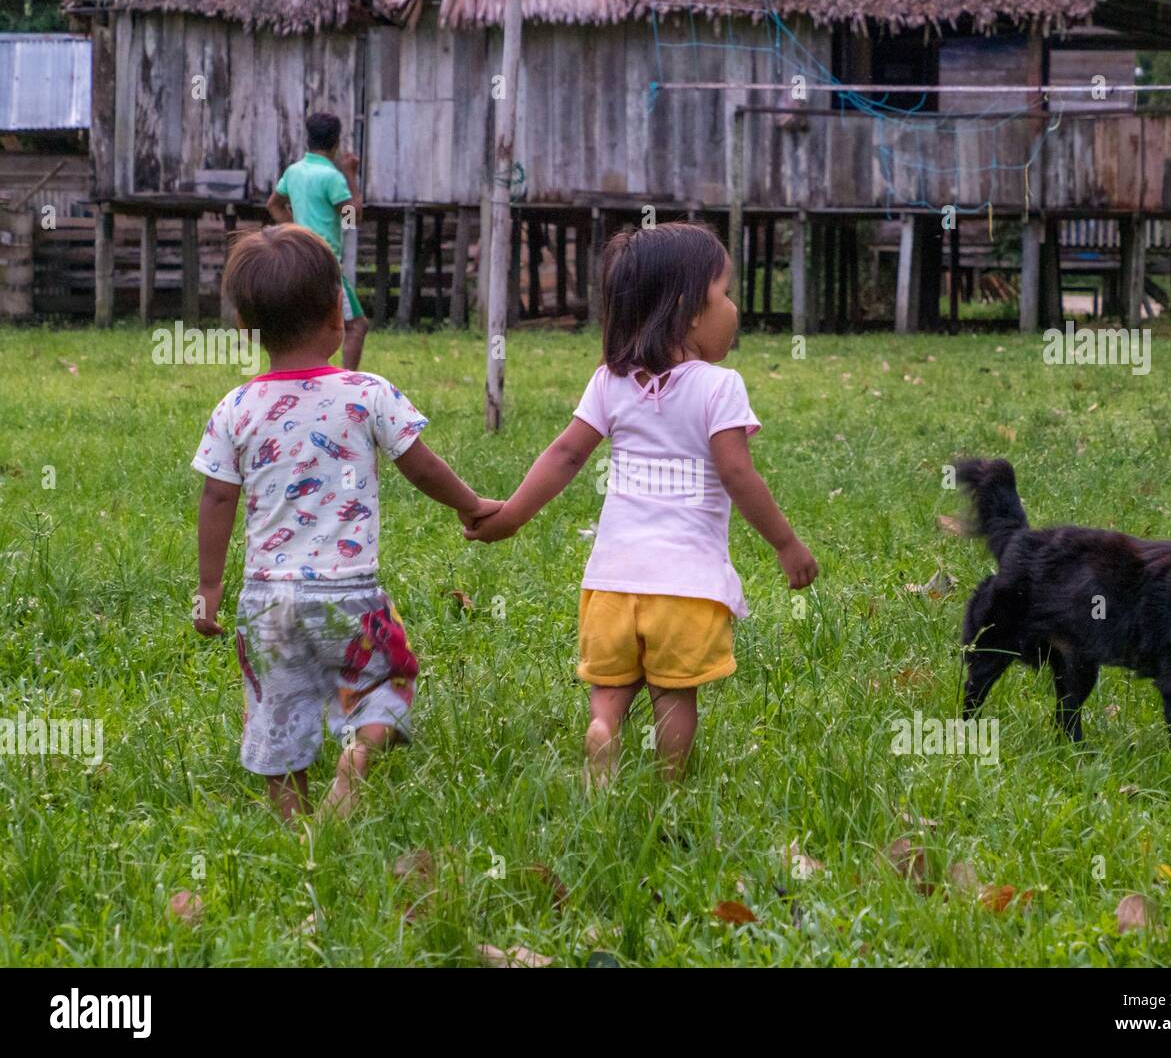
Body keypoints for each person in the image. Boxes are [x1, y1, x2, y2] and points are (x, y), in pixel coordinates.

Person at [465, 222, 819, 785]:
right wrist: (786, 542)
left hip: (610, 582)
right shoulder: (719, 386)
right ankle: (669, 784)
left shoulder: (610, 381)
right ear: (690, 308)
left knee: (609, 689)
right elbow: (736, 471)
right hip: (685, 588)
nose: (732, 308)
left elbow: (565, 456)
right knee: (675, 694)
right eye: (723, 293)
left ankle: (603, 730)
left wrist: (509, 515)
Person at [191, 224, 500, 820]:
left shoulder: (234, 408)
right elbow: (422, 467)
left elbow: (216, 499)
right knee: (389, 684)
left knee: (278, 723)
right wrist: (470, 504)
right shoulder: (367, 393)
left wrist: (208, 589)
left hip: (267, 602)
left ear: (245, 328)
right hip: (349, 595)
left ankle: (297, 840)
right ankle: (356, 757)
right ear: (339, 312)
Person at [268, 112, 369, 369]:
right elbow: (352, 217)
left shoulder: (294, 172)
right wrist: (351, 176)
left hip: (300, 258)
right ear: (336, 142)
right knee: (356, 326)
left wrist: (295, 232)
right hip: (326, 263)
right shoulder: (331, 177)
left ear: (308, 139)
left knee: (307, 326)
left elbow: (274, 204)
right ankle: (347, 383)